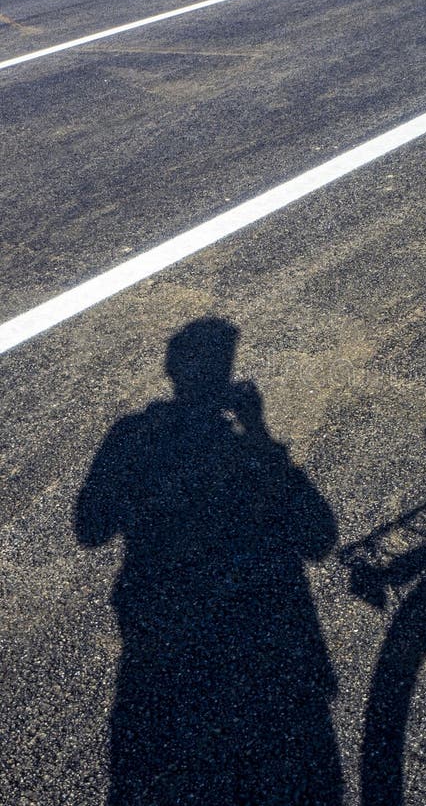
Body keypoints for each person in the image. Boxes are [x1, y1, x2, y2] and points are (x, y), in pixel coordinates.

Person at [75, 318, 342, 804]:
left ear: (172, 372)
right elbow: (319, 535)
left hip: (157, 646)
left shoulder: (134, 434)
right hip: (258, 657)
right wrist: (260, 433)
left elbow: (89, 528)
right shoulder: (245, 450)